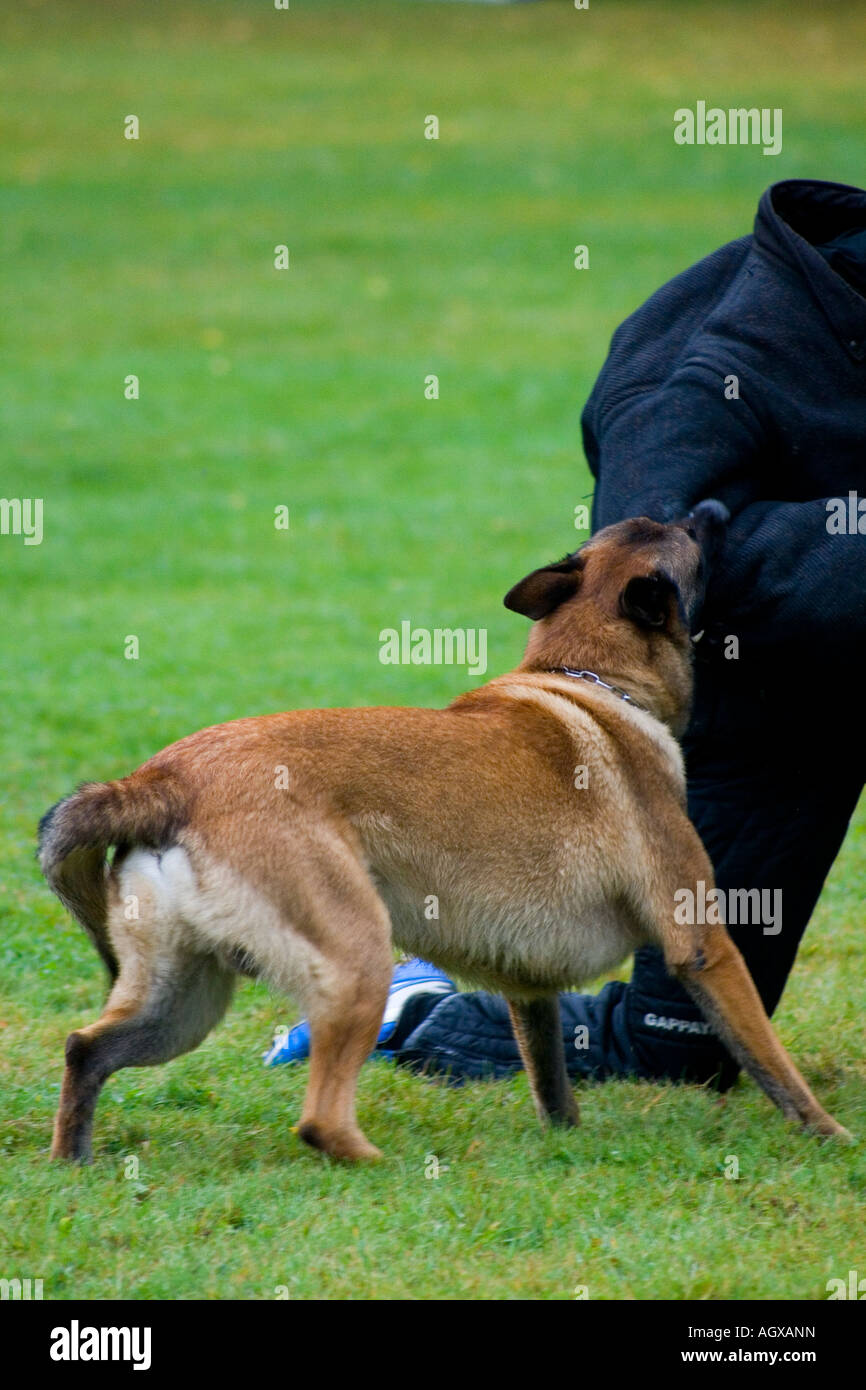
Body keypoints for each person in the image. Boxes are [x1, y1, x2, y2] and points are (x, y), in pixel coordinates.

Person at [265, 178, 866, 1092]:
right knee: (677, 1053)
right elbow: (651, 567)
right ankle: (415, 1005)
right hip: (761, 684)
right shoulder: (690, 394)